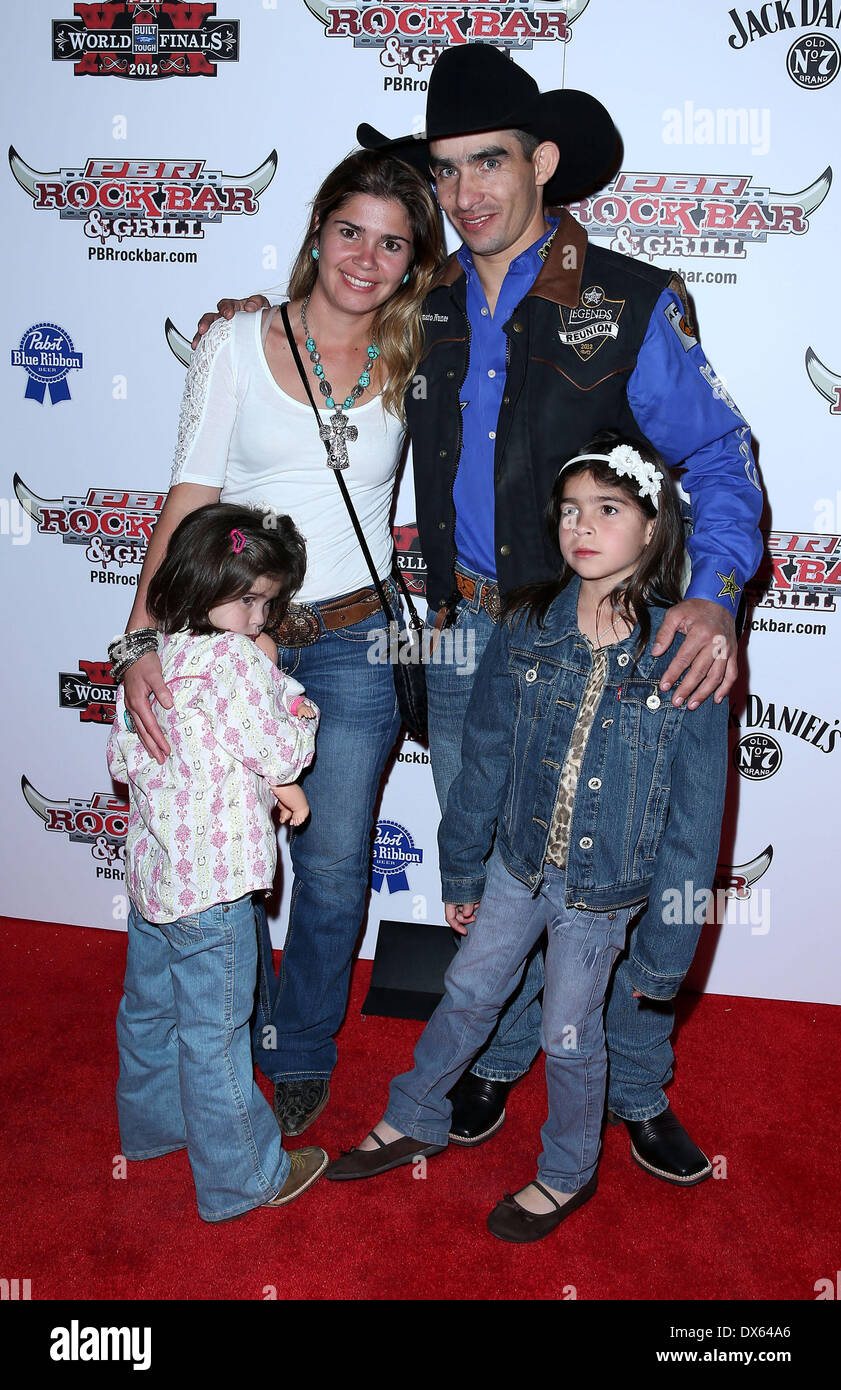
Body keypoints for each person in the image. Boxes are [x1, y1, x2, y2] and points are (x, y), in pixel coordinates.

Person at [196, 43, 764, 1180]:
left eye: (489, 161)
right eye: (447, 168)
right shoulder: (425, 300)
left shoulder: (629, 299)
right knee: (501, 869)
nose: (464, 192)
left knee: (623, 866)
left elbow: (718, 455)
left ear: (542, 162)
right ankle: (498, 1061)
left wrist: (710, 599)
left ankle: (635, 1082)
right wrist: (255, 320)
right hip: (463, 639)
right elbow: (326, 329)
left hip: (607, 644)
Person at [115, 150, 445, 1140]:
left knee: (334, 865)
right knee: (224, 862)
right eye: (350, 231)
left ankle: (300, 1046)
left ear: (413, 262)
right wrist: (138, 638)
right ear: (315, 232)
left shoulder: (417, 352)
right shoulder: (232, 343)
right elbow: (189, 497)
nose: (365, 258)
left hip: (354, 643)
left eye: (392, 244)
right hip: (225, 648)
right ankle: (238, 1025)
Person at [325, 434, 728, 1242]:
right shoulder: (526, 624)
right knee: (467, 991)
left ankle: (568, 1170)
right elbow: (483, 759)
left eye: (607, 509)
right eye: (570, 510)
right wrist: (461, 871)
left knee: (567, 1035)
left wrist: (664, 952)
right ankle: (414, 1114)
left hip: (602, 894)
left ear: (652, 527)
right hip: (515, 867)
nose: (583, 526)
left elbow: (694, 820)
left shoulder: (686, 656)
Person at [107, 503, 325, 1222]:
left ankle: (154, 1129)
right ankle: (244, 1180)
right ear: (202, 585)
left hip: (156, 880)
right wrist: (291, 699)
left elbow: (127, 759)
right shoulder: (236, 661)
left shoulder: (151, 660)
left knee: (148, 1010)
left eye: (267, 603)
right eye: (248, 601)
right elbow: (279, 749)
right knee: (216, 1035)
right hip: (216, 889)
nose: (259, 619)